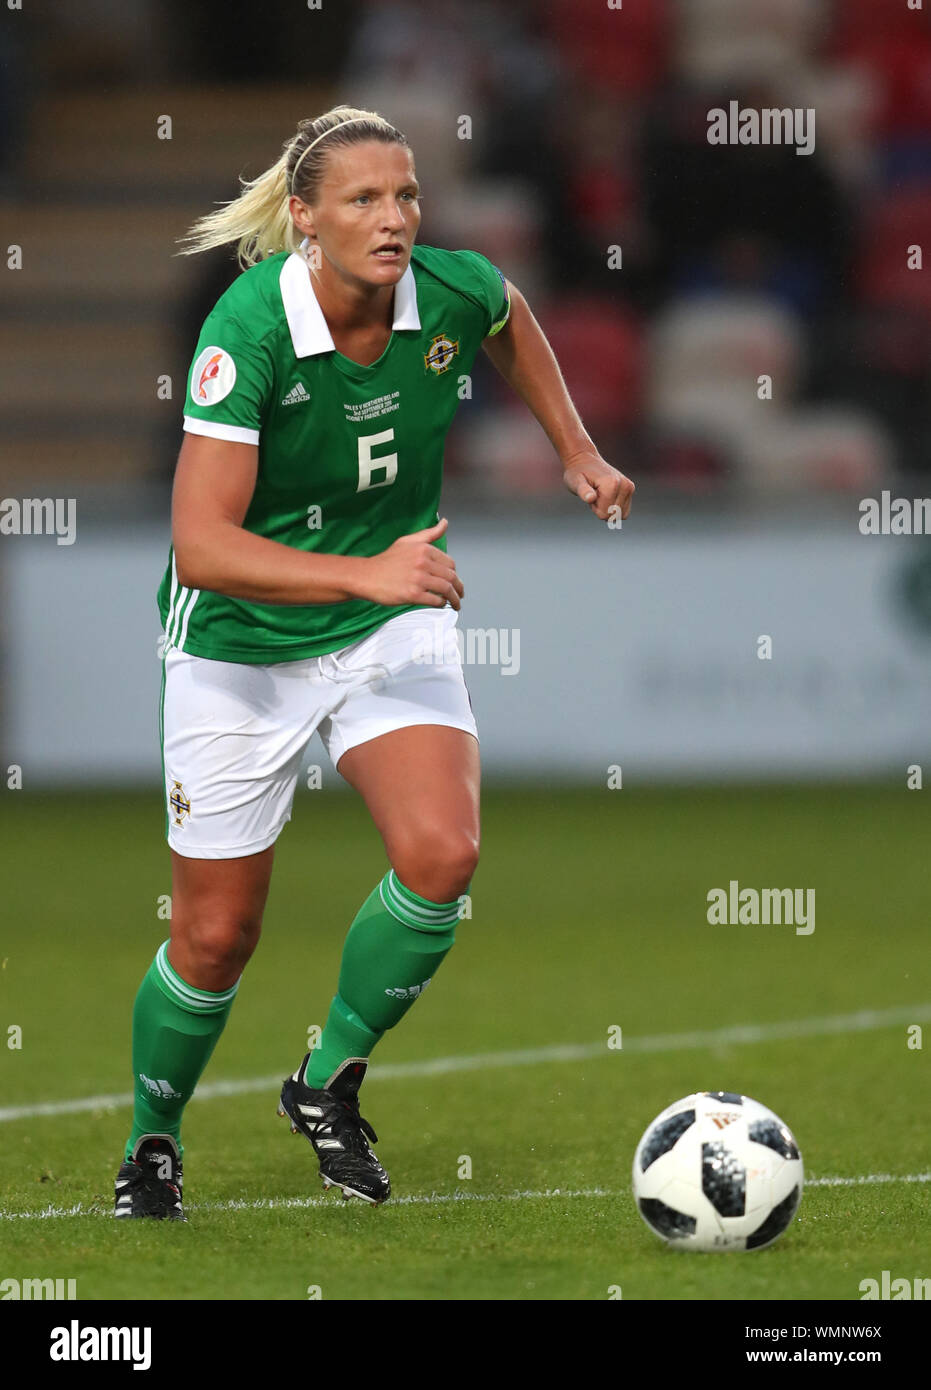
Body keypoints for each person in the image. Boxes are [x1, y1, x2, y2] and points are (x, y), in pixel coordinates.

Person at [114, 104, 635, 1220]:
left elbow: (509, 314)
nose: (394, 217)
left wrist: (575, 447)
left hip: (386, 619)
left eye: (404, 195)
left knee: (443, 853)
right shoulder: (248, 329)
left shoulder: (445, 288)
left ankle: (327, 1077)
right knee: (212, 938)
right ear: (304, 219)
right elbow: (202, 547)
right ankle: (153, 1139)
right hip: (238, 642)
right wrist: (367, 576)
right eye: (362, 199)